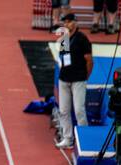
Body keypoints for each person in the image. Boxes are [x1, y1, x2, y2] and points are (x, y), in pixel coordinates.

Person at [54, 14, 93, 150]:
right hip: (64, 79)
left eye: (69, 22)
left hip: (78, 80)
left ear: (75, 23)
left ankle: (85, 139)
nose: (66, 24)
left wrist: (85, 76)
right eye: (64, 22)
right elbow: (64, 58)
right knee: (64, 110)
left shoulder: (82, 39)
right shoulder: (64, 38)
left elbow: (89, 60)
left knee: (79, 110)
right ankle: (68, 138)